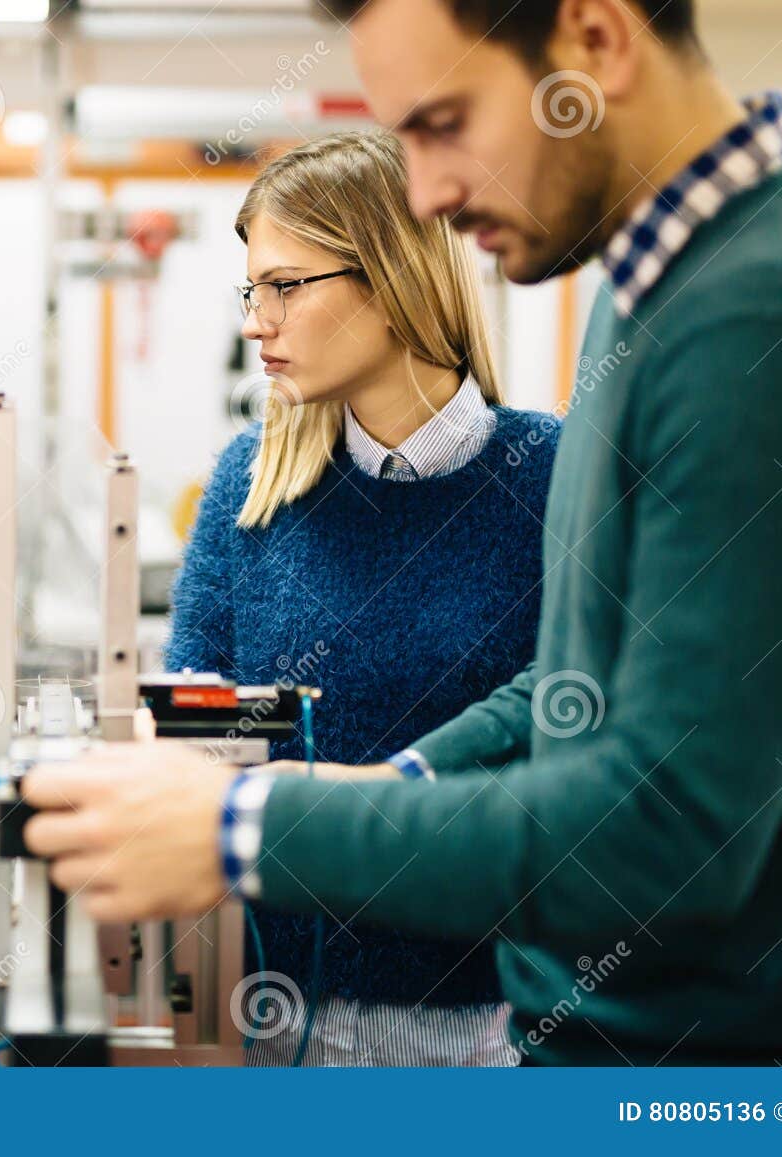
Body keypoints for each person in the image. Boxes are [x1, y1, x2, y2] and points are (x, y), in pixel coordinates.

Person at [22, 0, 782, 1065]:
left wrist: (242, 831)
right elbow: (573, 685)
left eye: (445, 123)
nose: (427, 193)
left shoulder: (770, 315)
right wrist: (390, 781)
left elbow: (668, 825)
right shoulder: (666, 290)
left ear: (594, 37)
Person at [169, 130, 557, 1065]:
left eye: (285, 286)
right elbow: (189, 725)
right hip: (268, 1021)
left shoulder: (557, 477)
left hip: (490, 1032)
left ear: (390, 276)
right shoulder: (249, 485)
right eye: (250, 291)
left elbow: (581, 744)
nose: (257, 321)